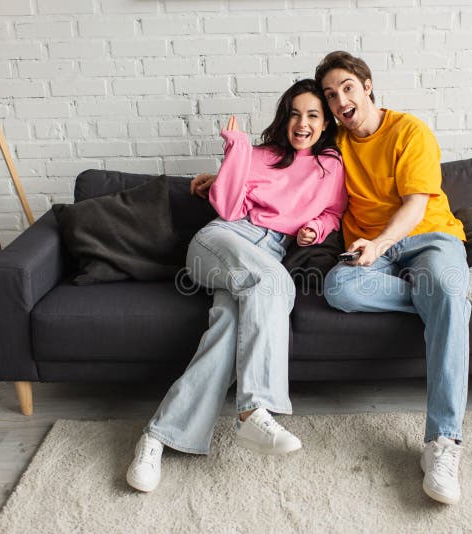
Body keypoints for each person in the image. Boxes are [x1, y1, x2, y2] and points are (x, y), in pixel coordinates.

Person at [314, 51, 472, 505]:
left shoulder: (409, 130)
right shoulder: (334, 142)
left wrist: (379, 244)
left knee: (441, 293)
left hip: (429, 237)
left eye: (347, 87)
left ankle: (443, 443)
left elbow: (414, 205)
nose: (340, 100)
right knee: (338, 287)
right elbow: (283, 159)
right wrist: (229, 173)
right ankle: (459, 288)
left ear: (367, 85)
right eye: (331, 95)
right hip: (371, 250)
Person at [126, 79, 346, 493]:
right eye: (295, 113)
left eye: (313, 115)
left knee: (228, 328)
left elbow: (333, 213)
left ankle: (156, 437)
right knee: (275, 284)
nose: (303, 123)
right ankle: (253, 412)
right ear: (284, 118)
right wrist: (236, 149)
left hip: (269, 254)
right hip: (223, 241)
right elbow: (226, 207)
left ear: (325, 122)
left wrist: (316, 227)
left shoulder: (330, 165)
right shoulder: (260, 155)